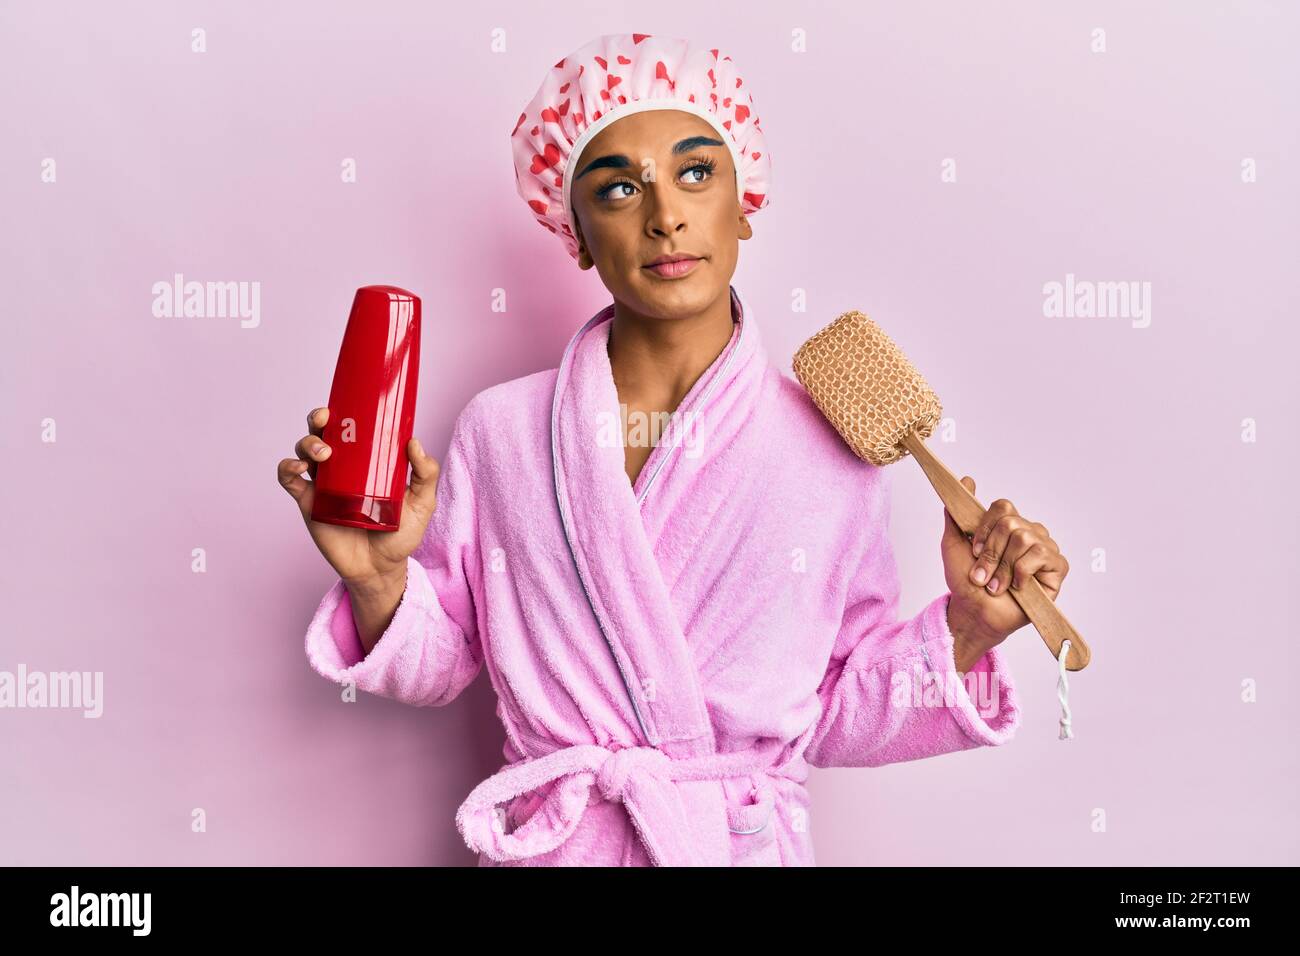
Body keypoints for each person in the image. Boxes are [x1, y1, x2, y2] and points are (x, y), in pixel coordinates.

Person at [276, 33, 1070, 866]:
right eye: (619, 188)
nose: (665, 216)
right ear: (575, 232)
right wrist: (378, 581)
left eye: (697, 173)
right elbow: (438, 667)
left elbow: (835, 713)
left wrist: (974, 625)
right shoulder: (501, 432)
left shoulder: (834, 452)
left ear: (744, 204)